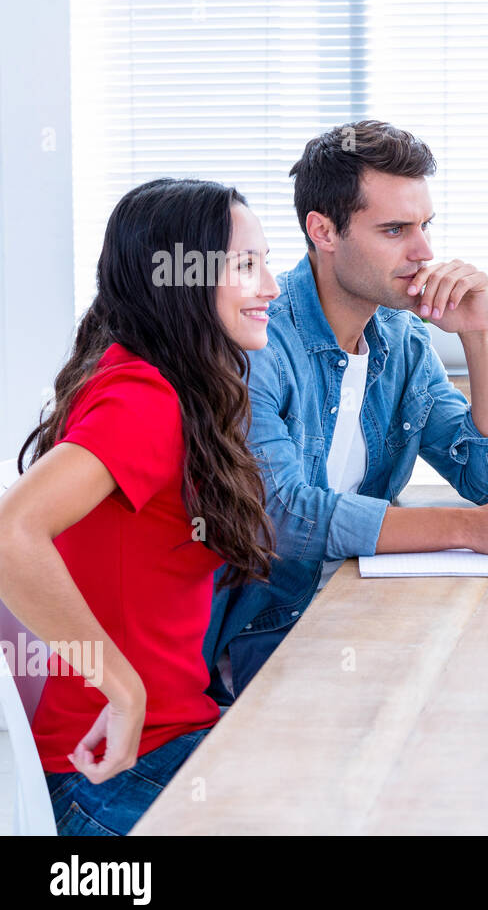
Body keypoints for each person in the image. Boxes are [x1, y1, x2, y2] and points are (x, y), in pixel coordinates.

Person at [205, 120, 488, 702]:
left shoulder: (400, 338)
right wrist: (470, 530)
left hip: (366, 610)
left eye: (426, 227)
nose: (423, 252)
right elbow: (285, 520)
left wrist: (480, 333)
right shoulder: (258, 340)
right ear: (322, 231)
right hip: (268, 646)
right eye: (395, 230)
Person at [0, 178, 279, 834]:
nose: (269, 286)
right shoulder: (144, 399)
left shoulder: (161, 381)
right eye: (246, 265)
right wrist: (122, 690)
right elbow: (12, 532)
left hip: (166, 742)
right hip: (113, 776)